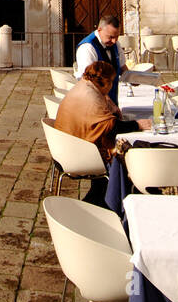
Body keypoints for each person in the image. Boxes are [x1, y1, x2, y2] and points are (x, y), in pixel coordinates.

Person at [54, 60, 151, 205]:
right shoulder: (90, 98)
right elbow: (111, 126)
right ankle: (115, 200)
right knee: (124, 155)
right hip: (77, 153)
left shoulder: (84, 86)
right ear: (105, 82)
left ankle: (101, 199)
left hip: (65, 146)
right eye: (112, 82)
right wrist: (137, 124)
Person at [73, 15, 151, 103]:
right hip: (94, 102)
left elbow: (122, 67)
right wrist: (107, 101)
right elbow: (89, 80)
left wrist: (134, 79)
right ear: (99, 30)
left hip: (112, 100)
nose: (114, 41)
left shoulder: (115, 44)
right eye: (110, 37)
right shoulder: (87, 48)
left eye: (117, 37)